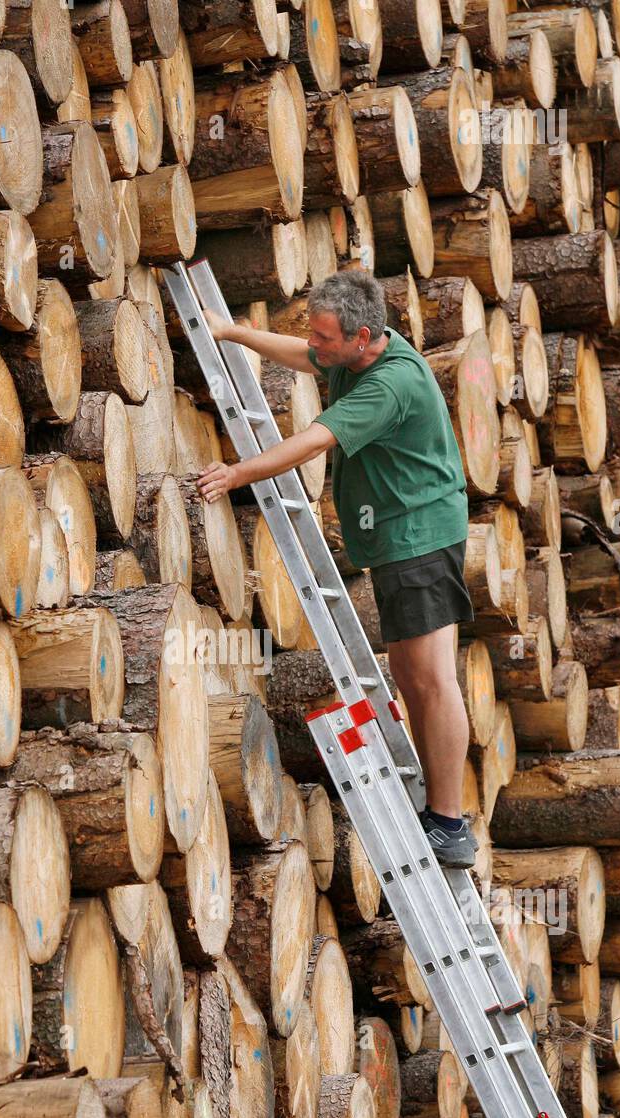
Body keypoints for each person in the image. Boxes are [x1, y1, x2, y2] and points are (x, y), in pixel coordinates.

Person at [197, 270, 478, 869]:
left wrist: (240, 473)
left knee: (432, 678)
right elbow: (302, 356)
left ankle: (450, 822)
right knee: (408, 671)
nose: (315, 347)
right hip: (402, 536)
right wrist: (234, 333)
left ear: (364, 335)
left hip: (421, 538)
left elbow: (315, 438)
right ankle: (439, 808)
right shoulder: (353, 354)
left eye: (326, 338)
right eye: (316, 336)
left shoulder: (388, 385)